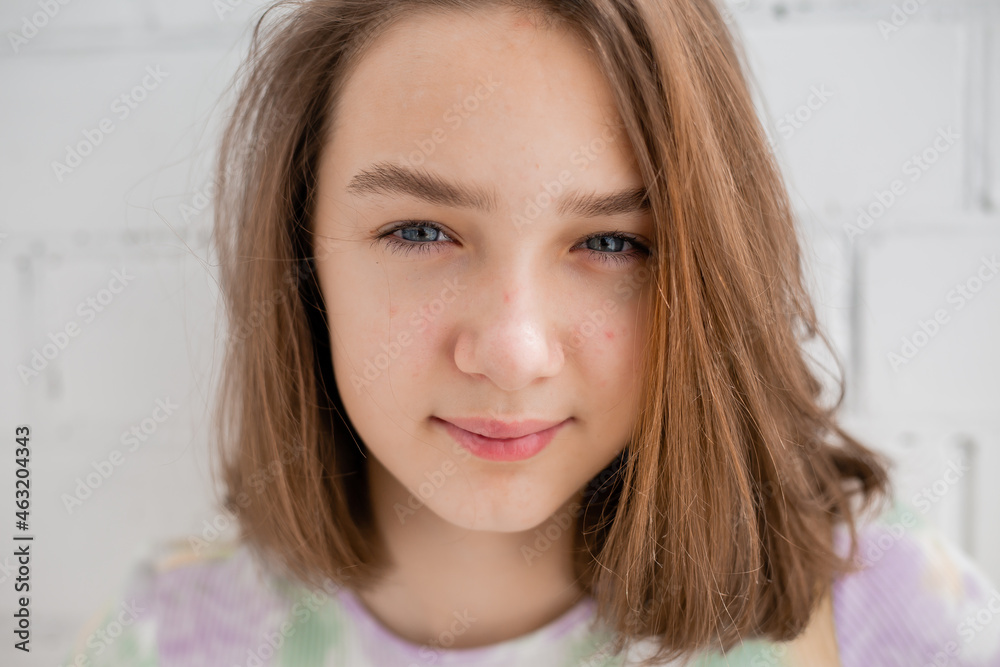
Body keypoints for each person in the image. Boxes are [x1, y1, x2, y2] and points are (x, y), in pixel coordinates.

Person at [64, 1, 1000, 665]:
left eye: (609, 242)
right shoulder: (162, 636)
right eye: (421, 232)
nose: (513, 350)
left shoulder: (881, 608)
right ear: (301, 255)